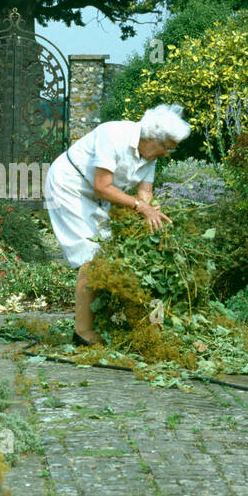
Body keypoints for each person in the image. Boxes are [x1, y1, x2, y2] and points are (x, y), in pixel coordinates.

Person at [44, 103, 192, 346]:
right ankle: (83, 332)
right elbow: (101, 186)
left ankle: (138, 323)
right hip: (70, 185)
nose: (167, 154)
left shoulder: (150, 153)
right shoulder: (112, 135)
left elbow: (145, 191)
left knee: (114, 251)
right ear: (151, 137)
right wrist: (139, 207)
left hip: (100, 195)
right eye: (167, 148)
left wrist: (149, 212)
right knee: (90, 256)